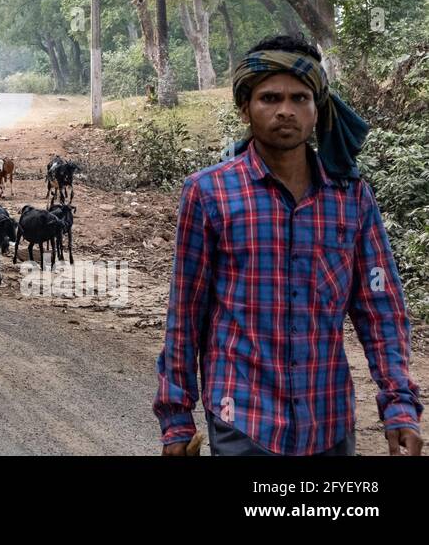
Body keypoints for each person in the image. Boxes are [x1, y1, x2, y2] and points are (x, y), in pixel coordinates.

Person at [155, 34, 422, 457]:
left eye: (300, 98)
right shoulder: (210, 193)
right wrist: (176, 417)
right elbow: (185, 313)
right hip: (242, 416)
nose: (285, 110)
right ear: (245, 107)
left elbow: (381, 308)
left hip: (328, 421)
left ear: (317, 110)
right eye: (269, 98)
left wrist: (399, 404)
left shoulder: (351, 197)